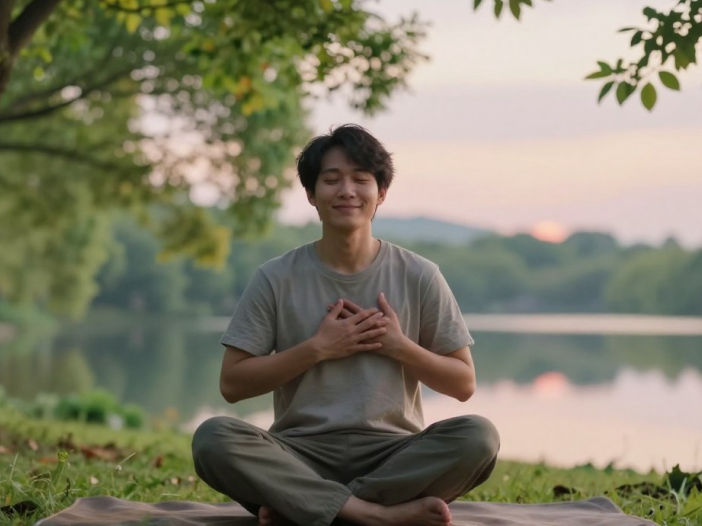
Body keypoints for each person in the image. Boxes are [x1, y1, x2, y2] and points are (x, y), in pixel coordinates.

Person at [192, 124, 499, 526]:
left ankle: (308, 508)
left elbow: (463, 384)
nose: (347, 191)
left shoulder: (420, 275)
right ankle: (374, 515)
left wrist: (399, 345)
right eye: (332, 179)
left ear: (381, 193)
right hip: (299, 454)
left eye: (361, 179)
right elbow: (233, 385)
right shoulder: (275, 277)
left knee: (479, 436)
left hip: (394, 456)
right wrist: (317, 349)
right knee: (213, 438)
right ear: (311, 194)